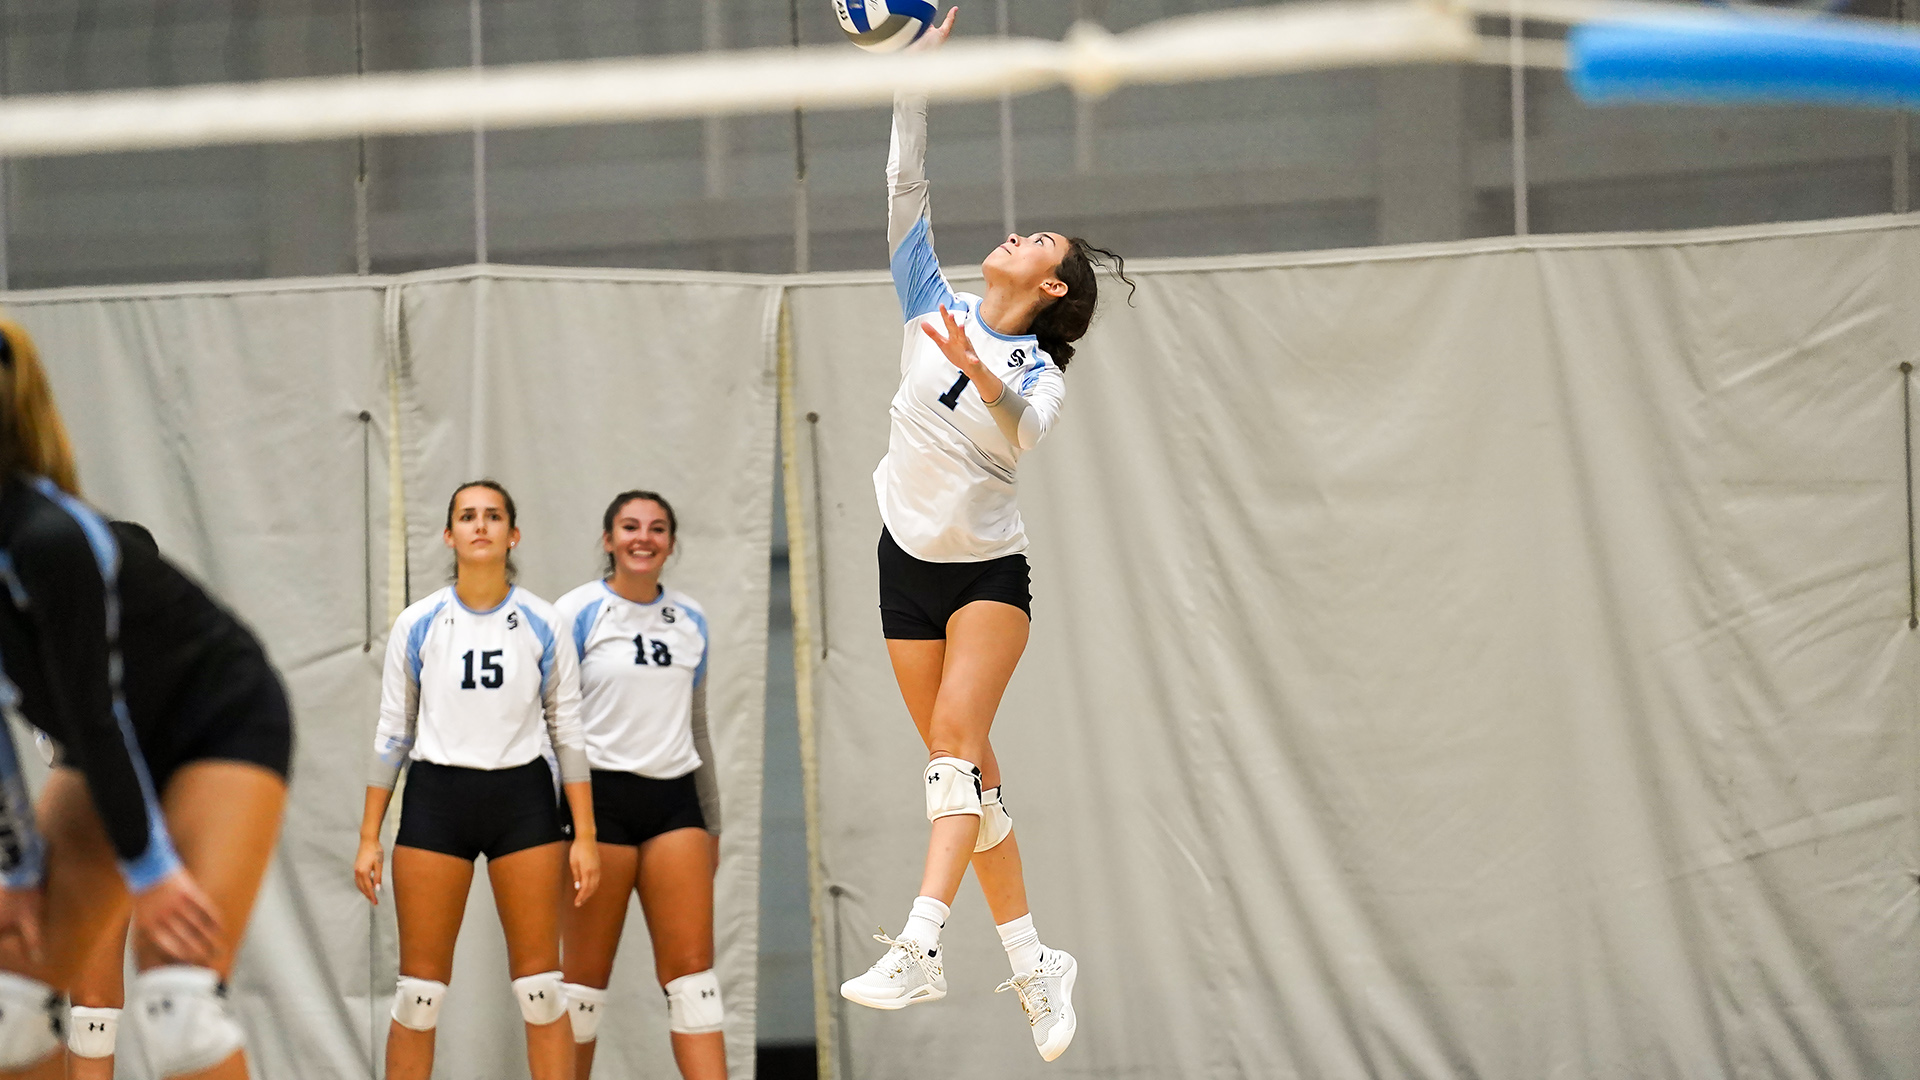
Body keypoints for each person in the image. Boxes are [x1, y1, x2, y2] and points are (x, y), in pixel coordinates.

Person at [835, 4, 1133, 1064]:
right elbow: (903, 188)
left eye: (1038, 243)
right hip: (900, 568)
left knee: (954, 754)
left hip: (984, 586)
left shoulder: (1039, 374)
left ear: (1048, 287)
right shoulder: (930, 300)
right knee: (973, 784)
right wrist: (915, 72)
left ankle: (922, 941)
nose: (1014, 235)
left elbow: (1019, 429)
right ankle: (1033, 960)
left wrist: (980, 355)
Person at [0, 319, 293, 1080]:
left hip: (218, 722)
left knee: (177, 995)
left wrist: (154, 872)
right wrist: (19, 875)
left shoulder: (50, 538)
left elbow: (99, 714)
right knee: (13, 998)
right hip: (111, 742)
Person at [354, 480, 600, 1080]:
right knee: (419, 994)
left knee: (542, 988)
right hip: (438, 798)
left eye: (493, 516)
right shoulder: (420, 623)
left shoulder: (543, 622)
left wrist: (586, 835)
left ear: (513, 534)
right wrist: (368, 835)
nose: (480, 525)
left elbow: (568, 731)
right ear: (449, 534)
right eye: (468, 516)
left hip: (522, 800)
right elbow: (394, 730)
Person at [554, 490, 725, 1080]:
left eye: (656, 529)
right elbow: (552, 722)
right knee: (581, 991)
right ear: (609, 541)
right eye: (629, 527)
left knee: (695, 985)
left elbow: (698, 729)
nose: (642, 538)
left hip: (675, 804)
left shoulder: (691, 619)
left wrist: (713, 824)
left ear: (670, 544)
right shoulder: (575, 613)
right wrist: (566, 825)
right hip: (596, 804)